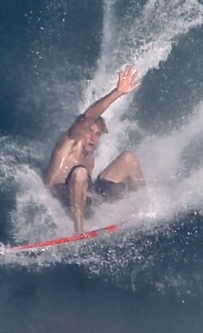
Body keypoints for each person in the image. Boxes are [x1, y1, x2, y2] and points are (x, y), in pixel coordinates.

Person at [44, 66, 145, 233]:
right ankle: (79, 233)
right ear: (81, 131)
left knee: (129, 158)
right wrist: (117, 93)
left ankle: (145, 209)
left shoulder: (89, 157)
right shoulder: (68, 143)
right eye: (90, 132)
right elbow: (88, 117)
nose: (93, 137)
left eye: (97, 134)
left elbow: (89, 192)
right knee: (80, 173)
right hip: (63, 201)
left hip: (88, 201)